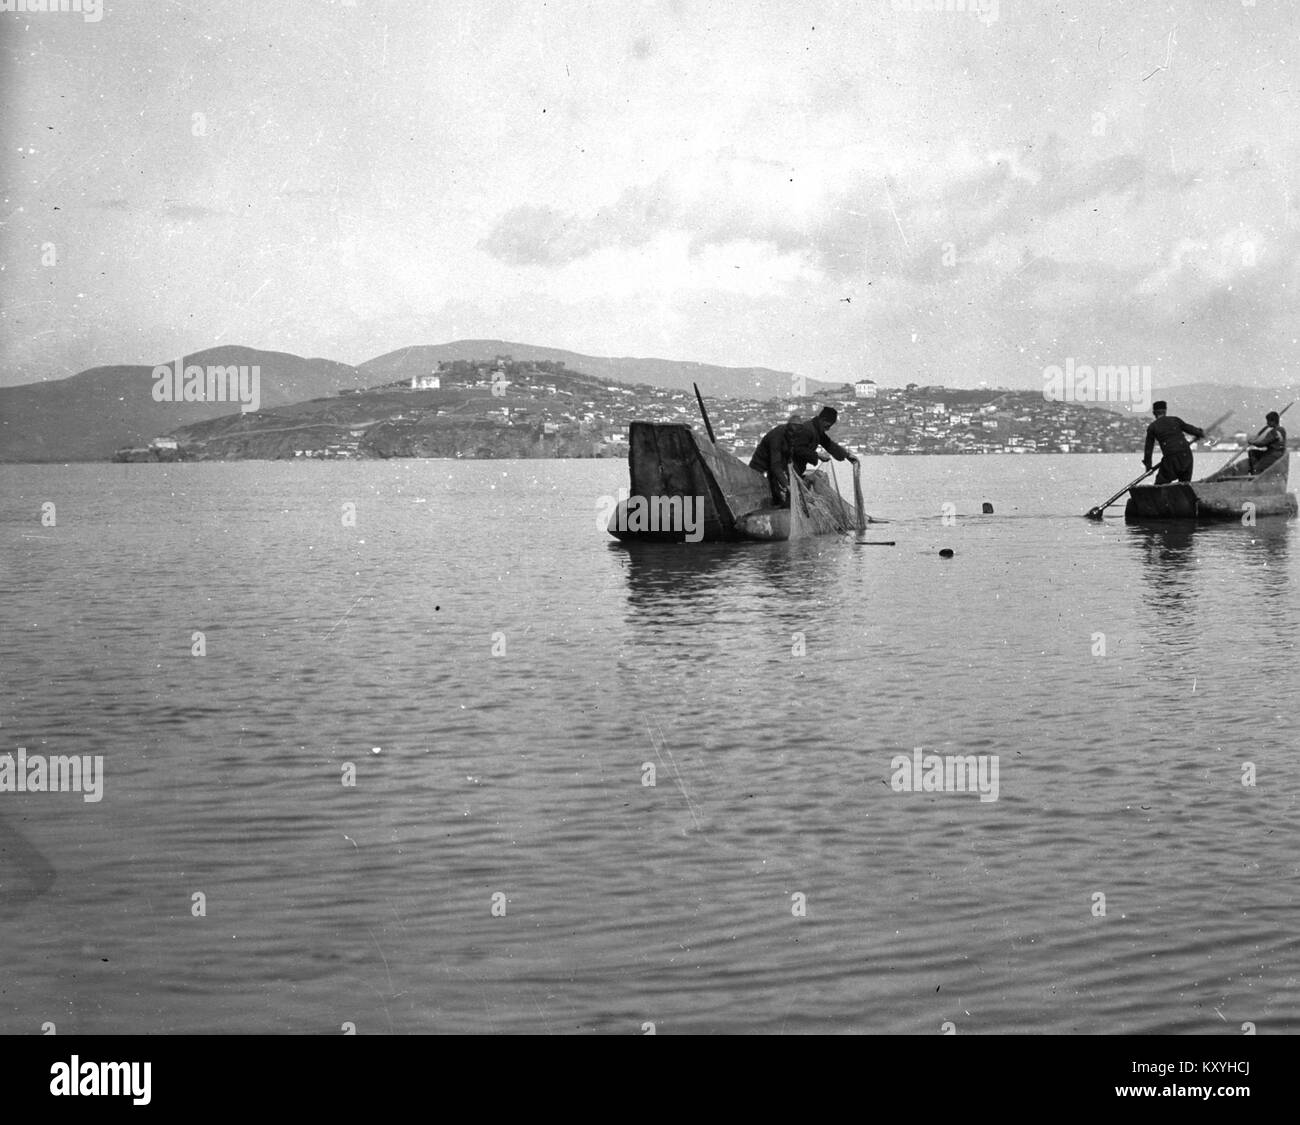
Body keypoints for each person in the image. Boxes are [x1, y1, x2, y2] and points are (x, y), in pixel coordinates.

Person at [749, 406, 859, 505]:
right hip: (769, 468)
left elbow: (829, 445)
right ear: (822, 420)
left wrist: (846, 455)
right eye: (828, 425)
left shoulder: (817, 431)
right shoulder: (805, 430)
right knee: (778, 491)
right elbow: (796, 450)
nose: (828, 429)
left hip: (789, 470)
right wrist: (817, 456)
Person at [1143, 401, 1204, 484]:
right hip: (1186, 455)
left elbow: (1148, 449)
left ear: (1154, 413)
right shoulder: (1175, 420)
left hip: (1171, 459)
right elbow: (1190, 429)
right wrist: (1199, 432)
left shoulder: (1152, 427)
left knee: (1160, 485)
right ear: (1165, 411)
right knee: (1184, 485)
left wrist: (1148, 467)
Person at [1246, 411, 1288, 475]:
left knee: (1256, 468)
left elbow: (1262, 444)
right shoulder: (1282, 430)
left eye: (1268, 421)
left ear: (1273, 421)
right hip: (1278, 452)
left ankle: (1256, 472)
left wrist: (1252, 442)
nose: (1267, 423)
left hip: (1274, 454)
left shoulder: (1274, 432)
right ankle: (1258, 466)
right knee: (1252, 452)